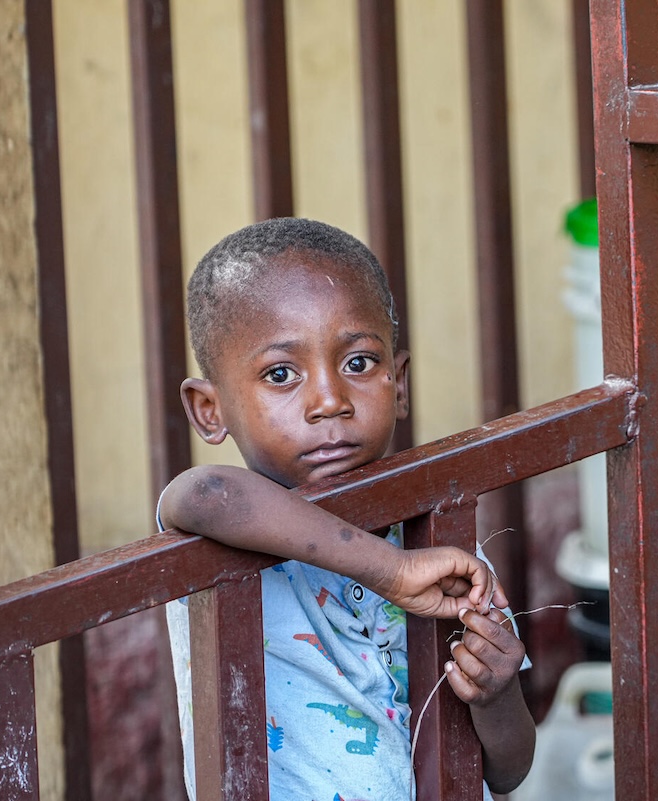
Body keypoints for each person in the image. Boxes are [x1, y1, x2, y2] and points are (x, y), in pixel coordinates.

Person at [161, 217, 535, 800]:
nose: (330, 400)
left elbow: (509, 770)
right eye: (281, 374)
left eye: (358, 363)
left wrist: (497, 690)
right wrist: (394, 573)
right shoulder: (221, 529)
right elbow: (207, 494)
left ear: (399, 381)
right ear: (210, 410)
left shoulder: (436, 540)